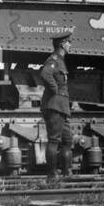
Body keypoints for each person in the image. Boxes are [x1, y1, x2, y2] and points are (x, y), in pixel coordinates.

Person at [38, 29, 74, 182]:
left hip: (61, 106)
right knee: (54, 140)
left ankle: (66, 173)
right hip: (55, 105)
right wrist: (55, 90)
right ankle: (52, 175)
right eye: (68, 42)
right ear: (62, 44)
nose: (70, 45)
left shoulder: (60, 60)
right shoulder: (53, 59)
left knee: (67, 140)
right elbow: (45, 74)